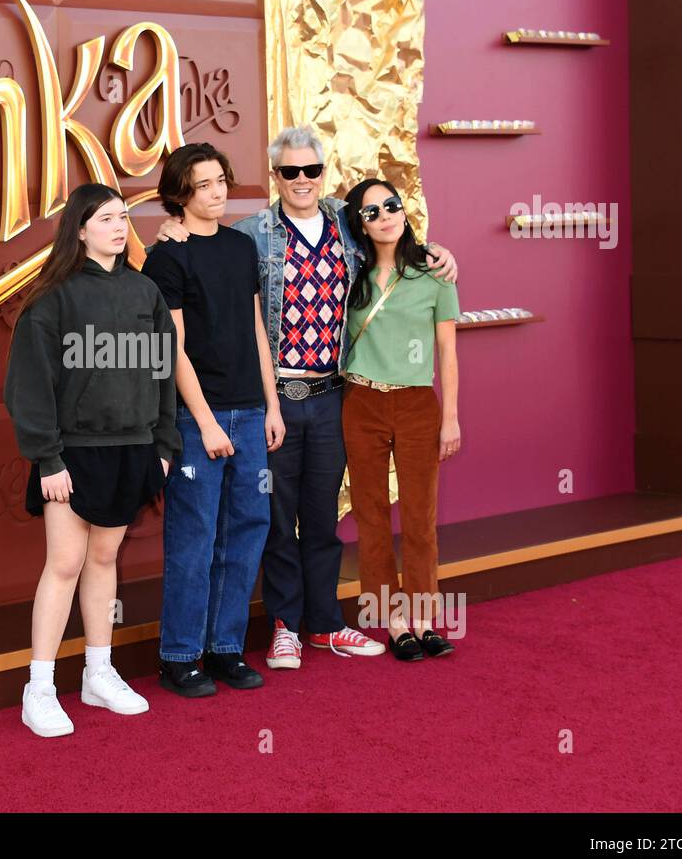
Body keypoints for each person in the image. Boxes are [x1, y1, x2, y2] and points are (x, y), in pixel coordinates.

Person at [156, 126, 458, 669]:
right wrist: (172, 226)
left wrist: (437, 251)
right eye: (290, 171)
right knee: (274, 517)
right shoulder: (251, 233)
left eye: (311, 170)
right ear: (276, 176)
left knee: (322, 518)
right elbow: (202, 244)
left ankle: (325, 623)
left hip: (334, 397)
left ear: (324, 173)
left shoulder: (349, 222)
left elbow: (395, 238)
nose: (302, 180)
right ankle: (284, 626)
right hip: (274, 398)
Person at [3, 183, 182, 736]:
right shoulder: (52, 298)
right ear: (79, 229)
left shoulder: (145, 292)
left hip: (133, 449)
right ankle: (39, 686)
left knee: (104, 561)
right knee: (64, 564)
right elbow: (28, 388)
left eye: (123, 217)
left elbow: (162, 373)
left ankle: (98, 673)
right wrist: (48, 458)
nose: (118, 226)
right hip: (73, 455)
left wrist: (164, 445)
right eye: (105, 218)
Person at [140, 142, 284, 697]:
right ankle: (179, 656)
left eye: (221, 179)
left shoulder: (240, 245)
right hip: (198, 417)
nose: (218, 191)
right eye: (203, 185)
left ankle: (225, 649)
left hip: (250, 412)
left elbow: (255, 329)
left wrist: (270, 406)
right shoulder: (166, 257)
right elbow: (172, 348)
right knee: (194, 538)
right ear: (179, 194)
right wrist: (204, 422)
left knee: (247, 532)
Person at [341, 177, 461, 661]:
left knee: (419, 517)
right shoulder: (351, 277)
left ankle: (424, 619)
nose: (386, 216)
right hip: (362, 402)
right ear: (361, 226)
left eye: (391, 205)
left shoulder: (434, 275)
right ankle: (392, 622)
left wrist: (450, 417)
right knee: (370, 517)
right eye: (371, 212)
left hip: (416, 404)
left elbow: (448, 352)